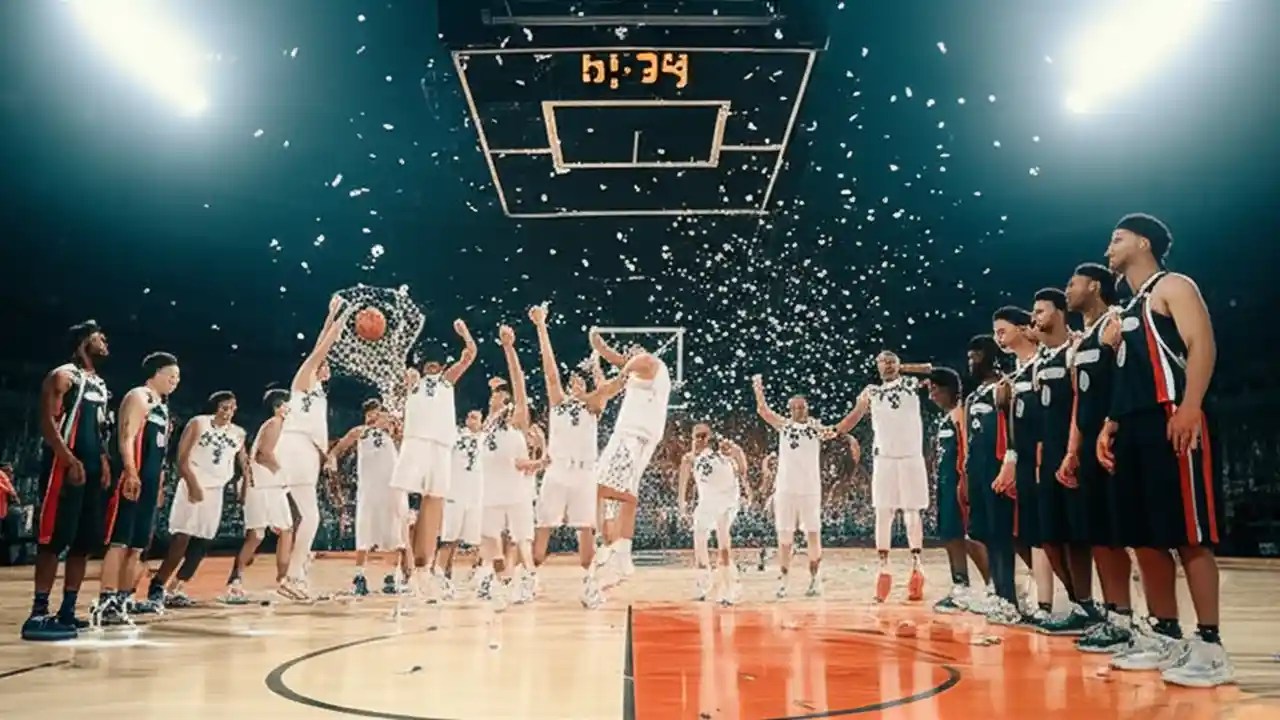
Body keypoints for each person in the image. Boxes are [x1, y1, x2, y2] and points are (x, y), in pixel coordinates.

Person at [1097, 213, 1231, 687]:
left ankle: (1211, 646)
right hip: (1132, 425)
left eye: (1117, 239)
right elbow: (1129, 376)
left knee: (1189, 534)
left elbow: (1202, 345)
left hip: (1172, 415)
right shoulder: (1125, 311)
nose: (1108, 248)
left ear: (1143, 243)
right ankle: (1165, 634)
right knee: (1145, 536)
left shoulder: (1172, 286)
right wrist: (1111, 423)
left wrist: (1191, 407)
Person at [1058, 262, 1137, 653]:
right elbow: (1078, 400)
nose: (1067, 290)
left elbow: (1128, 380)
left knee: (1121, 532)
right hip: (1088, 443)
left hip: (1116, 439)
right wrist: (1072, 450)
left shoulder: (1116, 322)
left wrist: (1112, 424)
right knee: (1099, 534)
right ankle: (1114, 615)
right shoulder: (1080, 342)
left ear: (1094, 286)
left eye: (1073, 283)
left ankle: (1135, 619)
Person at [22, 322, 112, 641]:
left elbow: (99, 429)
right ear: (84, 341)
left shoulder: (100, 385)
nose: (105, 341)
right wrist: (67, 458)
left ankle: (67, 610)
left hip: (91, 468)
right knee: (53, 540)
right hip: (64, 466)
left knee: (84, 543)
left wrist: (103, 460)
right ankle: (37, 613)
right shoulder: (63, 375)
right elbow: (48, 421)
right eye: (99, 337)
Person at [528, 305, 613, 607]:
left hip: (584, 473)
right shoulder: (559, 403)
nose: (576, 383)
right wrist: (541, 326)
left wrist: (597, 363)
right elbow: (550, 372)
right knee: (543, 530)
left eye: (581, 381)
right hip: (558, 471)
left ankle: (590, 583)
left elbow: (605, 389)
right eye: (573, 380)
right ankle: (529, 577)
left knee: (586, 531)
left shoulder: (592, 406)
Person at [831, 351, 933, 603]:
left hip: (911, 457)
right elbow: (855, 415)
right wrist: (834, 431)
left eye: (891, 361)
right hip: (884, 458)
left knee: (912, 512)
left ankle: (917, 567)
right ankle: (884, 570)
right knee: (883, 512)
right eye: (882, 362)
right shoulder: (871, 391)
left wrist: (903, 366)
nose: (887, 365)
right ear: (876, 366)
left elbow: (932, 370)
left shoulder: (910, 383)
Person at [1031, 288, 1104, 634]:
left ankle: (1090, 604)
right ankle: (1078, 603)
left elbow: (1079, 403)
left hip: (1072, 452)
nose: (1034, 317)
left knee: (1078, 534)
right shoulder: (1040, 361)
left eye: (1040, 311)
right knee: (1049, 536)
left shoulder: (1075, 349)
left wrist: (1073, 450)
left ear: (1059, 312)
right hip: (1046, 456)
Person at [391, 319, 477, 598]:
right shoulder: (412, 382)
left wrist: (464, 333)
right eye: (426, 363)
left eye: (435, 363)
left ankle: (422, 569)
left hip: (441, 446)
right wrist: (405, 382)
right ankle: (403, 565)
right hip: (415, 442)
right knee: (399, 500)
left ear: (441, 366)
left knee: (434, 504)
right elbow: (397, 386)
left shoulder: (447, 382)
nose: (431, 366)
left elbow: (470, 355)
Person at [96, 352, 180, 624]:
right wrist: (131, 471)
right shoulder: (139, 397)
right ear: (156, 373)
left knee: (138, 545)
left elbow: (161, 453)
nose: (175, 381)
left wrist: (159, 484)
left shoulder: (163, 409)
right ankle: (106, 600)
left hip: (151, 482)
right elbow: (126, 437)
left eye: (177, 377)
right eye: (171, 375)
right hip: (132, 478)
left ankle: (123, 598)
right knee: (120, 540)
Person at [277, 298, 352, 600]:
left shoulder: (317, 390)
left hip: (307, 453)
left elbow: (321, 347)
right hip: (295, 447)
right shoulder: (304, 380)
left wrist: (332, 314)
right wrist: (340, 316)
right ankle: (293, 575)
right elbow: (321, 347)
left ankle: (294, 575)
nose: (327, 364)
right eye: (324, 362)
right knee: (304, 518)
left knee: (309, 517)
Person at [150, 391, 248, 607]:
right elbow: (182, 458)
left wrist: (245, 487)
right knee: (181, 538)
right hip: (192, 484)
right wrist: (193, 485)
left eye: (232, 408)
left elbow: (243, 463)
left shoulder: (238, 433)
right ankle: (157, 586)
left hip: (216, 490)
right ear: (215, 407)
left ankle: (176, 587)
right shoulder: (199, 423)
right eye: (224, 408)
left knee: (203, 541)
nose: (228, 412)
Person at [590, 329, 672, 587]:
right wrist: (598, 359)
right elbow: (609, 383)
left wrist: (604, 350)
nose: (629, 354)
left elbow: (633, 361)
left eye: (632, 350)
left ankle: (613, 549)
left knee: (601, 488)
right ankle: (619, 551)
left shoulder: (652, 364)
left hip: (633, 436)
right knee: (612, 496)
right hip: (631, 436)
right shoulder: (637, 376)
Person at [993, 306, 1057, 620]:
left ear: (1022, 328)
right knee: (1031, 532)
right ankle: (1042, 602)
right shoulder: (1015, 374)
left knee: (1049, 532)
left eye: (1002, 330)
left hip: (1049, 456)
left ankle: (1064, 602)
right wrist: (1011, 458)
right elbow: (1014, 427)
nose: (998, 337)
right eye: (995, 332)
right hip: (1026, 458)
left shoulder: (1045, 362)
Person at [475, 326, 538, 606]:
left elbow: (519, 384)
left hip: (516, 491)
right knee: (489, 539)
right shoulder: (486, 426)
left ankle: (529, 579)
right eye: (493, 395)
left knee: (522, 539)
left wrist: (508, 348)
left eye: (500, 395)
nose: (494, 397)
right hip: (489, 491)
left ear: (508, 403)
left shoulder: (516, 420)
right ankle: (499, 580)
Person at [751, 376, 828, 598]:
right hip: (785, 490)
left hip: (810, 491)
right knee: (784, 539)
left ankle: (815, 579)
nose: (797, 411)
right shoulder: (784, 427)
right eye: (793, 408)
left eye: (801, 407)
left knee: (813, 536)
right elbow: (763, 411)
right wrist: (758, 388)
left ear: (807, 408)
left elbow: (836, 431)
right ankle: (784, 581)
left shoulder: (815, 428)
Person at [328, 399, 412, 596]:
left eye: (376, 412)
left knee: (395, 533)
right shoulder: (359, 432)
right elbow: (337, 450)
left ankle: (391, 577)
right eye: (369, 413)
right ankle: (359, 576)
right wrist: (331, 461)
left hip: (393, 489)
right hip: (369, 489)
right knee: (364, 532)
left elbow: (407, 449)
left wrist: (396, 429)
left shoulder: (393, 431)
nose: (373, 416)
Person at [964, 334, 1021, 624]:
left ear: (989, 356)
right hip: (977, 471)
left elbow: (1012, 431)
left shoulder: (1004, 387)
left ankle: (1009, 598)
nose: (971, 362)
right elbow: (969, 440)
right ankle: (998, 593)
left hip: (998, 470)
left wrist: (1009, 464)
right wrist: (966, 475)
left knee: (1001, 536)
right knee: (982, 534)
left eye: (975, 356)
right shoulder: (973, 396)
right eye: (969, 357)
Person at [925, 367, 990, 612]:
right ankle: (961, 587)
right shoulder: (945, 417)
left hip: (960, 484)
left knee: (969, 537)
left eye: (935, 389)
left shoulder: (960, 414)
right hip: (945, 484)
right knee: (951, 536)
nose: (931, 395)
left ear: (948, 389)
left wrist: (966, 482)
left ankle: (994, 587)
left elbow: (966, 449)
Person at [222, 389, 294, 603]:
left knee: (263, 534)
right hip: (264, 485)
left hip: (265, 485)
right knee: (273, 532)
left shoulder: (276, 424)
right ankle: (280, 580)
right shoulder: (275, 422)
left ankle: (239, 580)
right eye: (289, 404)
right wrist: (283, 474)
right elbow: (264, 454)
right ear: (279, 406)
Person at [678, 425, 748, 605]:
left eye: (704, 436)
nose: (700, 440)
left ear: (711, 438)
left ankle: (730, 587)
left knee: (723, 544)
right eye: (697, 436)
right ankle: (704, 583)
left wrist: (735, 450)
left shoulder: (723, 454)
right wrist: (682, 507)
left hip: (726, 501)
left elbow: (742, 469)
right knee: (699, 542)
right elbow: (682, 486)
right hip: (706, 503)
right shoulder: (689, 459)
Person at [435, 410, 485, 594]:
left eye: (476, 417)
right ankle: (441, 573)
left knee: (478, 539)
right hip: (455, 492)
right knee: (449, 538)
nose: (471, 420)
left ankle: (478, 573)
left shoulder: (486, 439)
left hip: (476, 494)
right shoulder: (456, 436)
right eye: (469, 417)